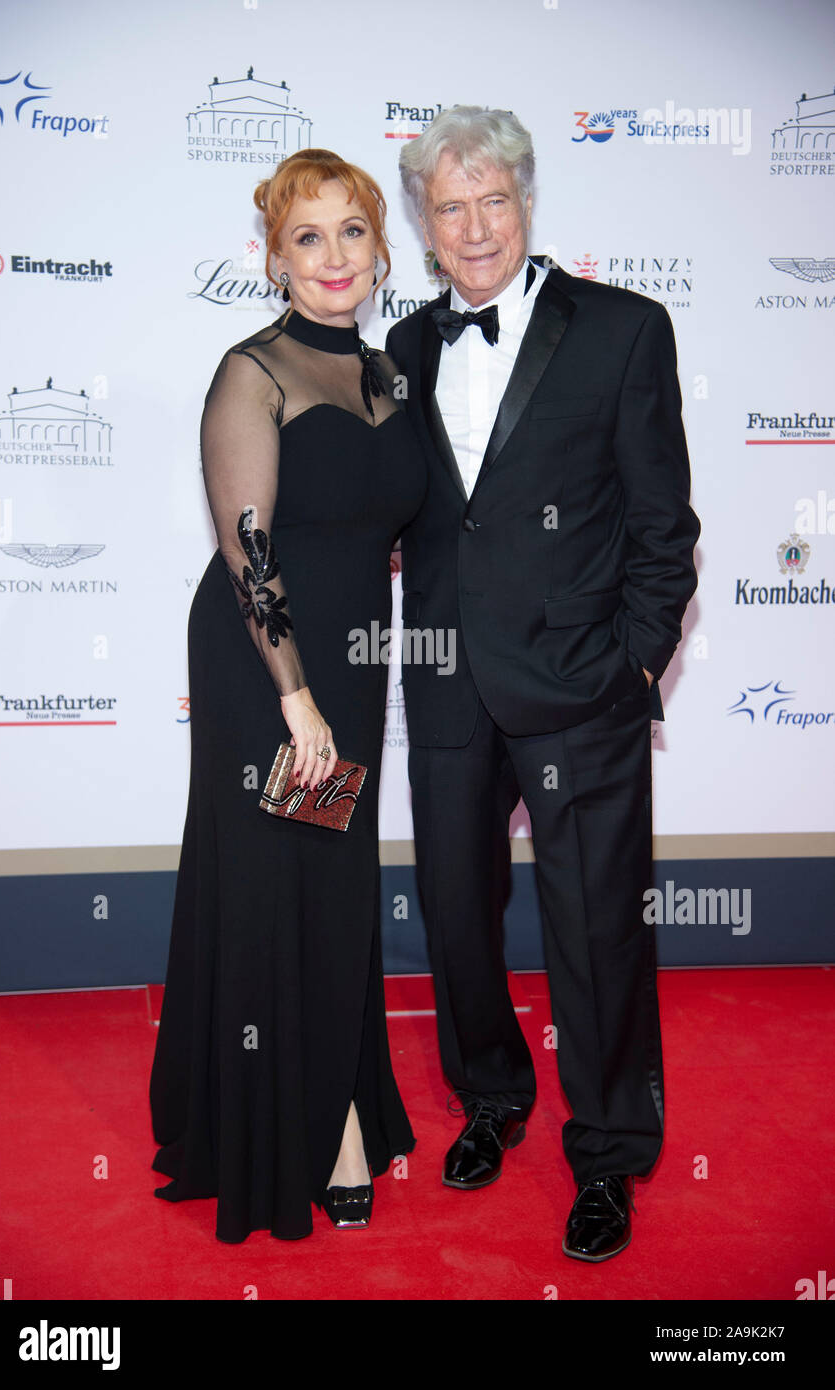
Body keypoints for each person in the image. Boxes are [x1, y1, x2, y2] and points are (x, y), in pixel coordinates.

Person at [387, 107, 700, 1261]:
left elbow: (664, 525)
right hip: (447, 686)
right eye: (448, 207)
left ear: (526, 202)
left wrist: (631, 659)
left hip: (582, 687)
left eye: (492, 201)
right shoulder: (404, 352)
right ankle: (491, 1095)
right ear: (423, 223)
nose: (472, 228)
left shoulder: (620, 330)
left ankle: (610, 1151)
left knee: (596, 929)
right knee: (458, 913)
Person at [149, 149, 425, 1241]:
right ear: (273, 260)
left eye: (350, 231)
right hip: (264, 673)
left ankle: (338, 1091)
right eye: (306, 237)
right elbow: (247, 550)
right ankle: (306, 1134)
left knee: (332, 885)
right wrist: (296, 698)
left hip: (350, 670)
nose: (332, 256)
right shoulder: (249, 373)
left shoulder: (391, 380)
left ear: (379, 248)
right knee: (273, 885)